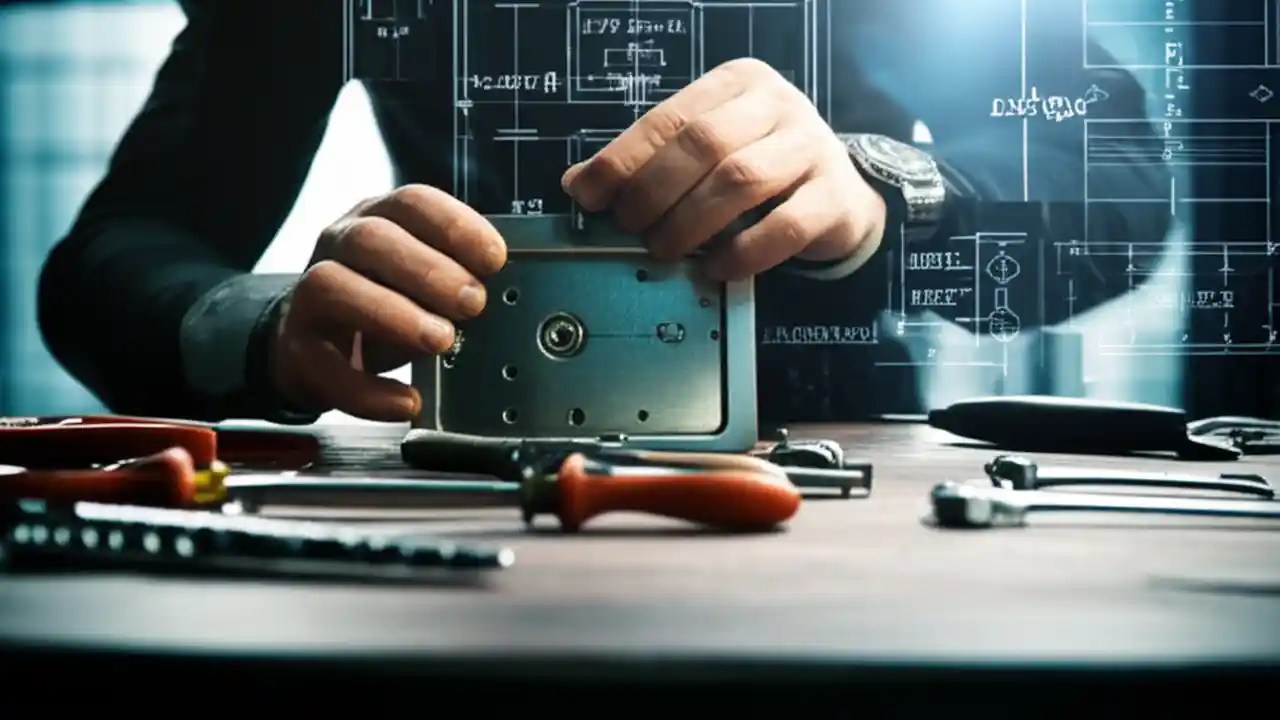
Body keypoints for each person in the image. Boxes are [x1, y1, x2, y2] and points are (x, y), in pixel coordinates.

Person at [37, 0, 1170, 426]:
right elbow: (117, 258)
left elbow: (1111, 170)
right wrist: (272, 322)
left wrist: (877, 192)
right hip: (478, 470)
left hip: (828, 461)